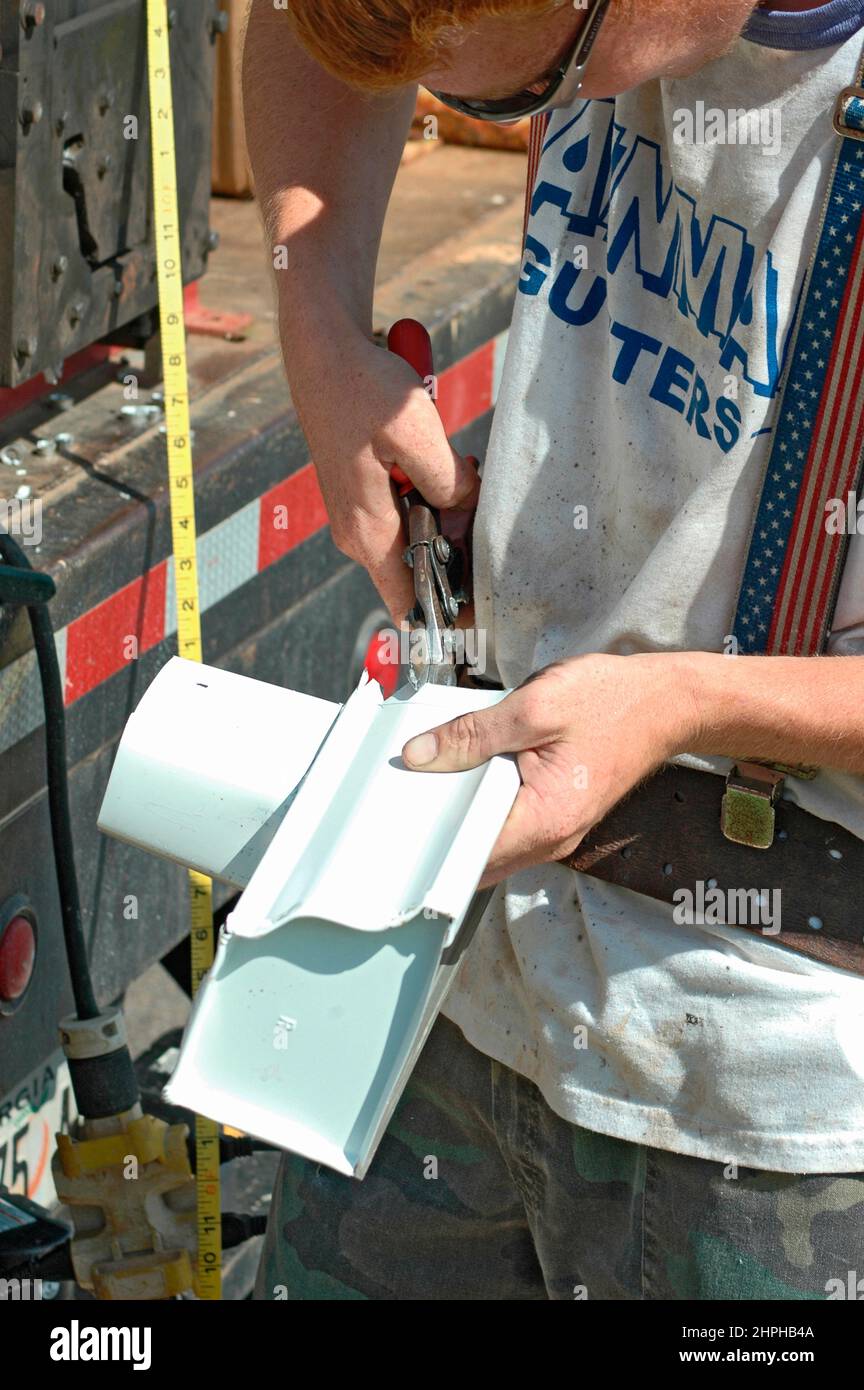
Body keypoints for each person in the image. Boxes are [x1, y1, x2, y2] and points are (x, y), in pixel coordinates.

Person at [243, 0, 864, 1300]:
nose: (493, 116)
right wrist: (318, 323)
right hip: (447, 979)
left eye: (540, 84)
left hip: (763, 1089)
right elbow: (321, 36)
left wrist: (678, 702)